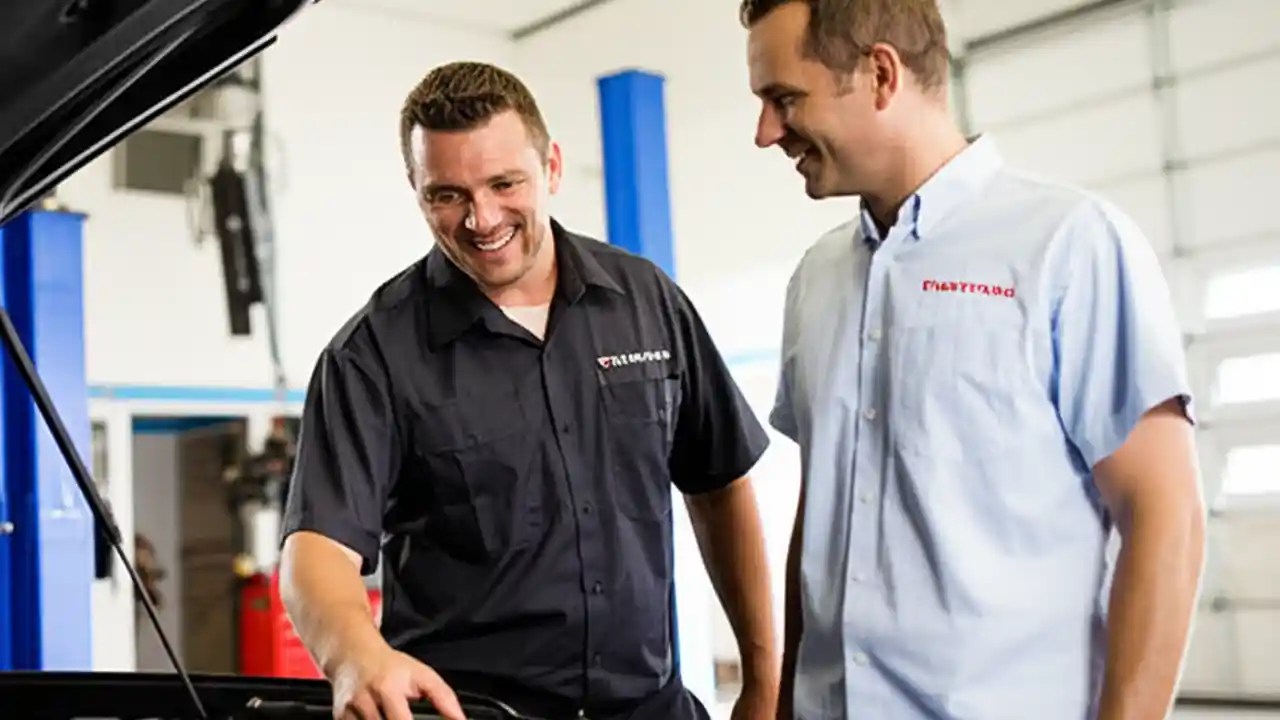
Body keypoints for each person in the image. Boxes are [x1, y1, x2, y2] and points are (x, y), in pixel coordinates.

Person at [739, 1, 1208, 719]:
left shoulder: (1067, 247)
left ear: (880, 74)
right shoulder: (818, 277)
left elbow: (1164, 512)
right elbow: (823, 507)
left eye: (784, 98)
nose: (766, 132)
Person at [277, 60, 780, 720]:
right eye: (447, 194)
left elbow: (718, 483)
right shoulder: (371, 357)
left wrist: (765, 677)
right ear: (416, 189)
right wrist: (354, 657)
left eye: (504, 183)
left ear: (552, 168)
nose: (482, 219)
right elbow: (315, 553)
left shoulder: (647, 300)